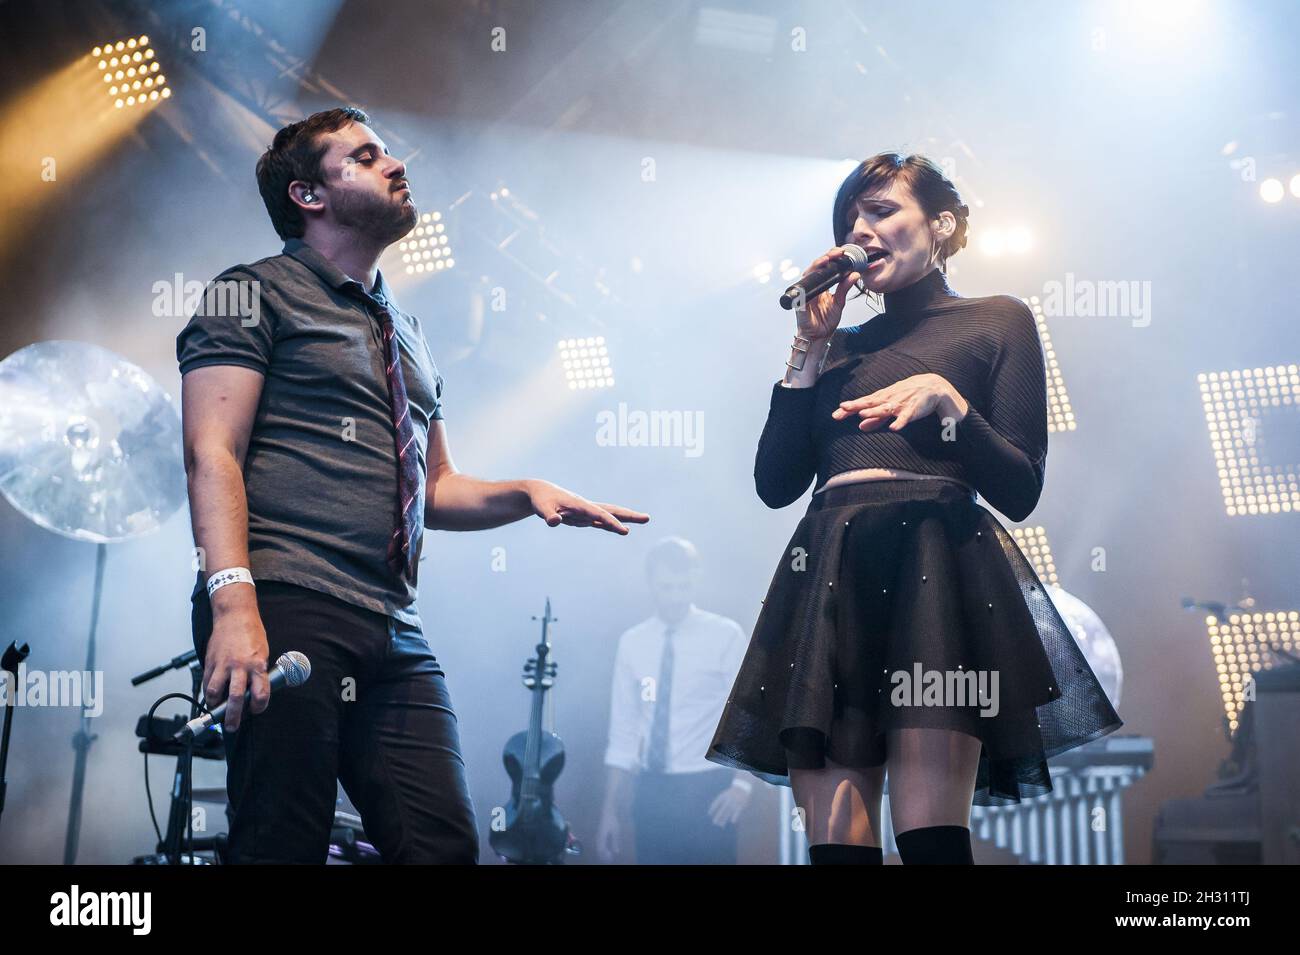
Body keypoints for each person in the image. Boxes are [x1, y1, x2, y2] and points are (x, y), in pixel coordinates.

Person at [177, 106, 649, 864]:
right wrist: (232, 602)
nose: (396, 164)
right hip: (286, 597)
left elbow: (436, 490)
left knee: (442, 844)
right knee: (281, 839)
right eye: (366, 157)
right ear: (310, 195)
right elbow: (212, 451)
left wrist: (526, 491)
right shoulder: (251, 292)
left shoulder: (406, 329)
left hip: (393, 623)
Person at [706, 153, 1122, 865]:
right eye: (848, 219)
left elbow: (1021, 487)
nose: (859, 229)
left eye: (880, 211)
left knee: (930, 839)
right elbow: (775, 483)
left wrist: (951, 405)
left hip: (935, 567)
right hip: (832, 574)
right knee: (838, 846)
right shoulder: (835, 348)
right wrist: (806, 347)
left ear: (942, 224)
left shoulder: (997, 321)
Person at [597, 537, 753, 864]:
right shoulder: (633, 643)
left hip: (708, 787)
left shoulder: (725, 635)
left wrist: (742, 784)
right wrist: (610, 813)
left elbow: (747, 712)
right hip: (651, 790)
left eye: (684, 587)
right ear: (651, 584)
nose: (676, 597)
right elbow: (623, 731)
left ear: (695, 581)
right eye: (667, 587)